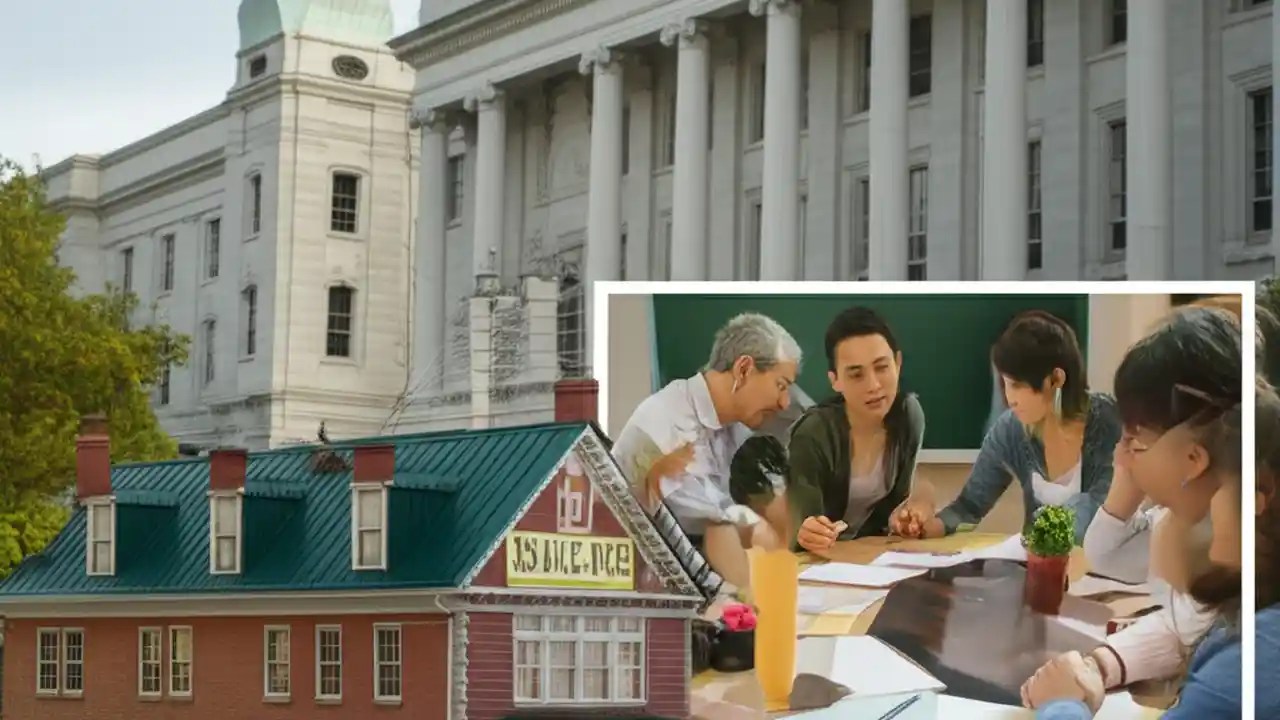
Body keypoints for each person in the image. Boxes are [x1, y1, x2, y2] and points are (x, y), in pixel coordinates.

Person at [1024, 306, 1280, 718]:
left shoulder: (1248, 670)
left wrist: (1062, 705)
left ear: (1194, 458)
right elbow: (1189, 624)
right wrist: (1101, 665)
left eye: (1134, 438)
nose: (1121, 458)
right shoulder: (1244, 568)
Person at [611, 312, 799, 593]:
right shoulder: (663, 420)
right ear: (744, 369)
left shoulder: (733, 427)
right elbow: (714, 524)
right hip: (641, 587)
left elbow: (767, 505)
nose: (784, 403)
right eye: (780, 386)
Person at [901, 310, 1121, 543]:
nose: (1009, 398)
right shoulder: (1010, 429)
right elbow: (969, 508)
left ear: (1056, 379)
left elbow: (1100, 511)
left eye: (1017, 385)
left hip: (1098, 571)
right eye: (1005, 384)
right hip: (1041, 568)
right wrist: (927, 527)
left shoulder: (1108, 421)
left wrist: (1036, 538)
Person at [785, 306, 929, 552]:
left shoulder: (909, 416)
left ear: (898, 363)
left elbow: (895, 506)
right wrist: (808, 531)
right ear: (835, 380)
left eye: (882, 367)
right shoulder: (813, 434)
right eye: (856, 374)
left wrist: (908, 516)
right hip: (820, 562)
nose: (874, 385)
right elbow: (803, 526)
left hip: (869, 555)